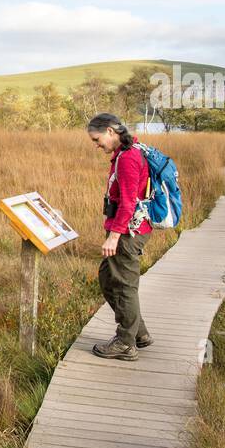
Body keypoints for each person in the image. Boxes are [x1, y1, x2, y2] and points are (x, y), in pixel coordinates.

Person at [86, 113, 152, 361]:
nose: (96, 144)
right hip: (126, 229)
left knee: (124, 286)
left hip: (127, 232)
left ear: (111, 132)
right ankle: (139, 333)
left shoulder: (128, 158)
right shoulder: (125, 153)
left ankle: (126, 342)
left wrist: (114, 237)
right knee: (108, 277)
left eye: (97, 138)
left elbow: (128, 203)